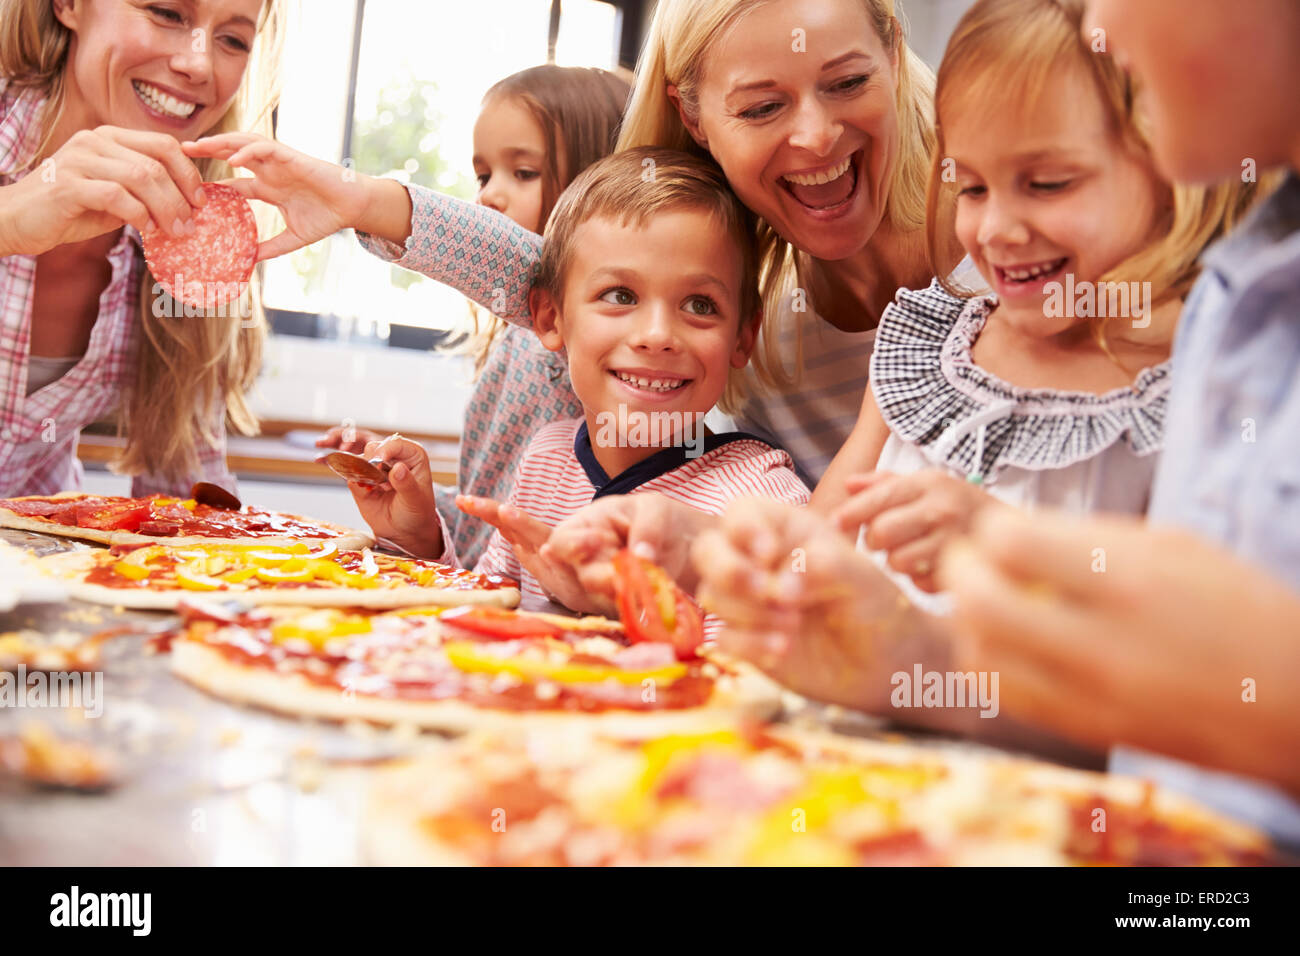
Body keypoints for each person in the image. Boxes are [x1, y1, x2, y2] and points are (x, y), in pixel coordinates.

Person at [186, 0, 947, 498]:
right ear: (696, 116)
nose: (815, 135)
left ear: (891, 48)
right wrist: (367, 200)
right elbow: (556, 282)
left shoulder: (1003, 243)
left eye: (846, 82)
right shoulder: (738, 280)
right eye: (762, 106)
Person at [343, 149, 809, 618]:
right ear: (550, 318)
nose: (657, 336)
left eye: (700, 305)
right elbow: (483, 614)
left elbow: (766, 675)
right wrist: (418, 538)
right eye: (620, 295)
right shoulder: (545, 458)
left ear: (743, 337)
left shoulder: (763, 496)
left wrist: (620, 611)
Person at [314, 65, 630, 567]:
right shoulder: (516, 341)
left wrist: (371, 204)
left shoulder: (592, 334)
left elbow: (530, 262)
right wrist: (413, 501)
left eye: (523, 172)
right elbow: (480, 535)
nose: (488, 195)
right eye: (483, 175)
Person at [0, 0, 285, 496]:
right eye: (167, 12)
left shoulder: (199, 239)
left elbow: (184, 487)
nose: (199, 64)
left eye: (233, 40)